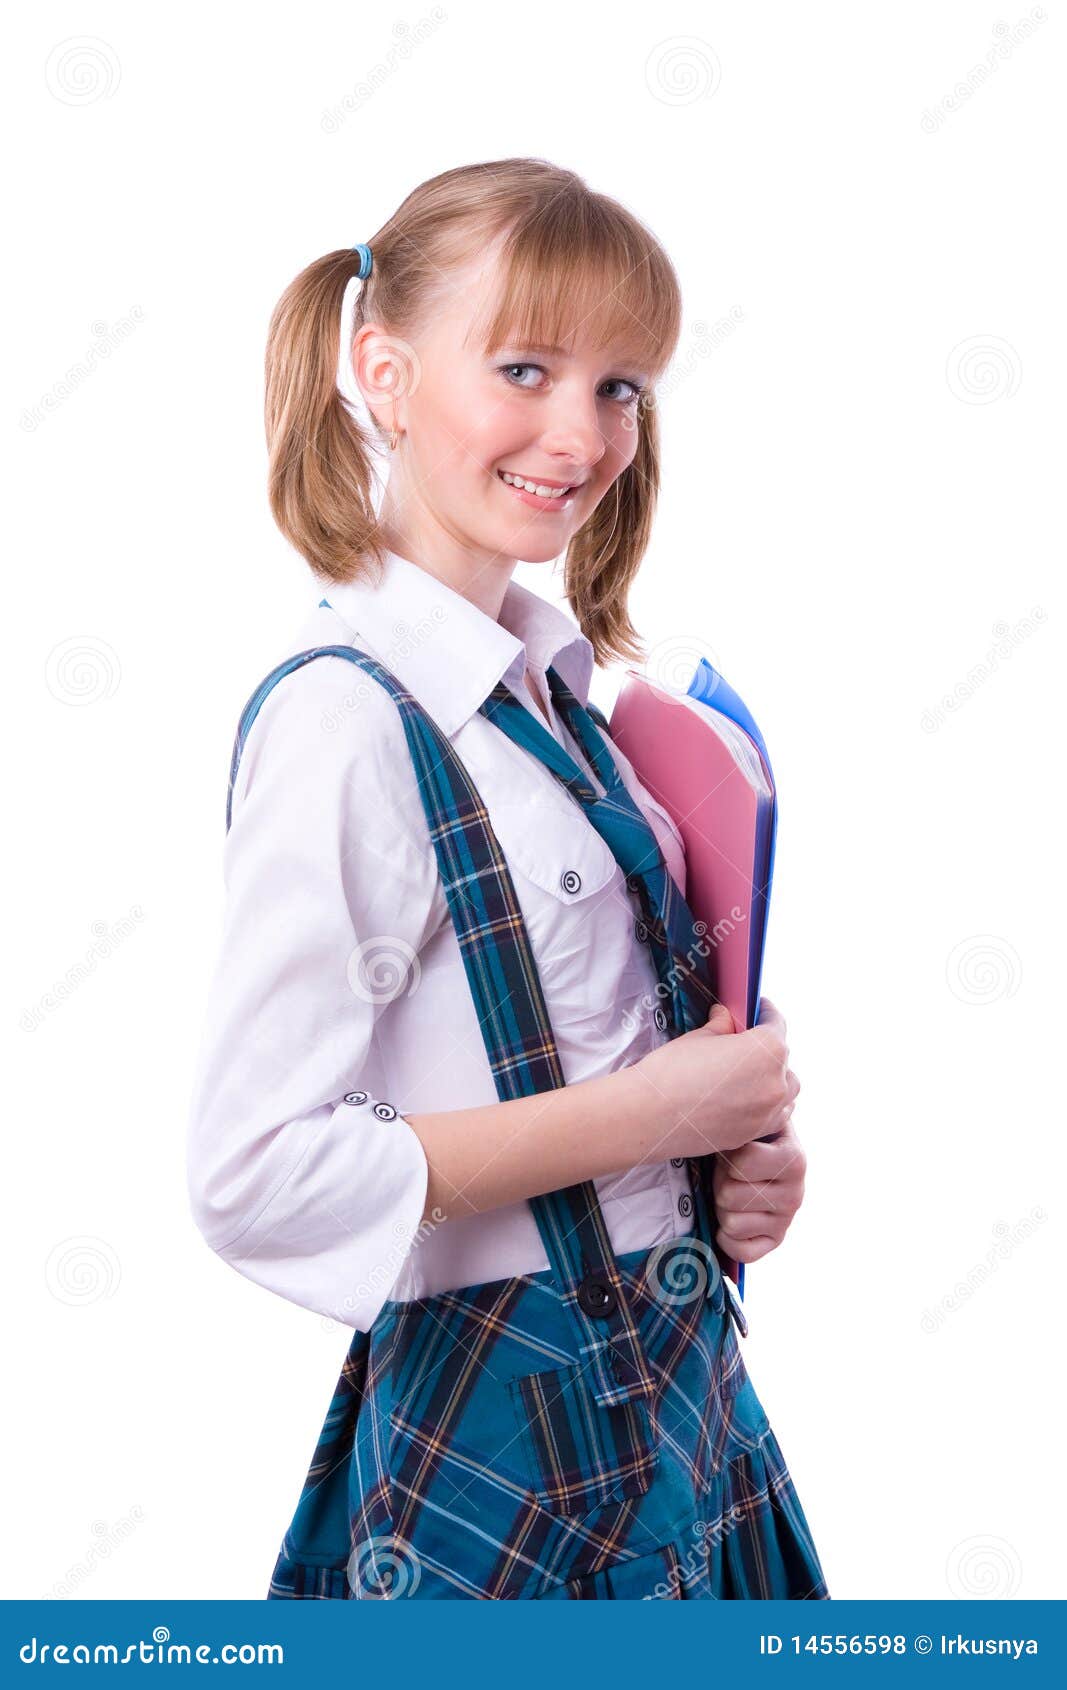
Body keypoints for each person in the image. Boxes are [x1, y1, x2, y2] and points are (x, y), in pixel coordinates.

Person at [186, 156, 829, 1600]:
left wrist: (726, 1156)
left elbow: (590, 1039)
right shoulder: (344, 720)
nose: (583, 435)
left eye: (620, 387)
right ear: (385, 373)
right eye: (525, 369)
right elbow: (253, 1174)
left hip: (683, 1400)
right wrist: (647, 1116)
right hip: (508, 1436)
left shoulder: (566, 704)